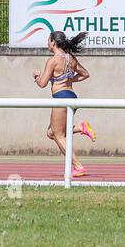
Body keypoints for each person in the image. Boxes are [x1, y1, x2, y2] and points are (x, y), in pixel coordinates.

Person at [33, 31, 96, 179]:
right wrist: (68, 81)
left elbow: (42, 83)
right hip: (71, 97)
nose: (47, 44)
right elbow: (85, 74)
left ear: (54, 42)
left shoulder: (53, 60)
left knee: (58, 134)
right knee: (51, 133)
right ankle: (81, 128)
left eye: (48, 41)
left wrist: (36, 76)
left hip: (60, 97)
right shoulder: (71, 58)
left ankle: (78, 166)